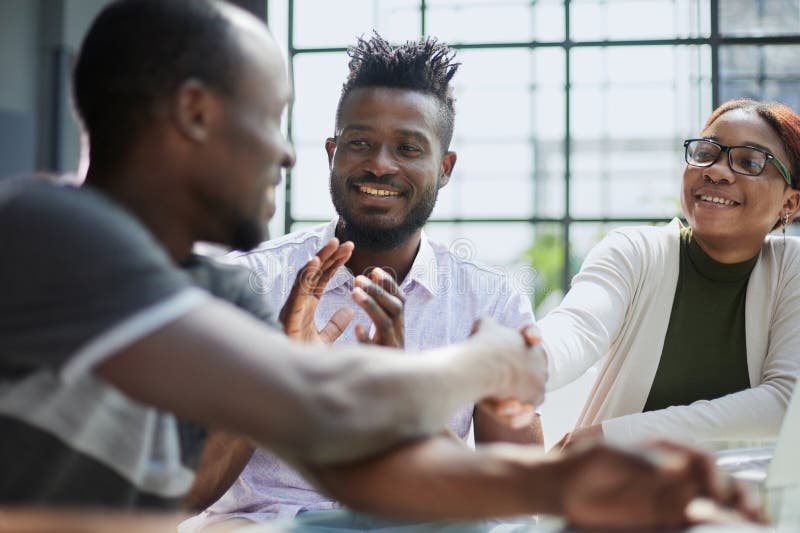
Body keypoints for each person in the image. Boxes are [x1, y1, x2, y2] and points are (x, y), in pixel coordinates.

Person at [0, 0, 760, 529]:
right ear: (196, 115)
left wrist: (558, 481)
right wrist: (485, 363)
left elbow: (350, 460)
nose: (289, 151)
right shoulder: (53, 234)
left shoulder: (205, 284)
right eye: (272, 118)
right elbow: (322, 404)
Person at [186, 33, 542, 528]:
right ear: (332, 153)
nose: (380, 163)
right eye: (359, 143)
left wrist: (405, 406)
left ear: (444, 168)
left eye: (407, 147)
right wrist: (277, 376)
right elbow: (183, 494)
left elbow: (519, 498)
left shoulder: (489, 301)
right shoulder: (249, 283)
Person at [541, 99, 800, 449]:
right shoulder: (635, 251)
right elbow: (576, 329)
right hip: (605, 497)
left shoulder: (791, 270)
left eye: (749, 162)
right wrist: (517, 359)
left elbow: (785, 403)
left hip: (737, 502)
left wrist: (612, 436)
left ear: (789, 204)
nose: (716, 171)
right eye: (707, 152)